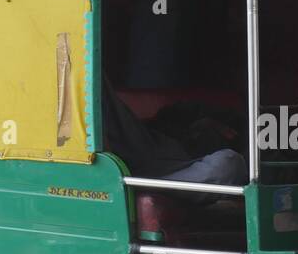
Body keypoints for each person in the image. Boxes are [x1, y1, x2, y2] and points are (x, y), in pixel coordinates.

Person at [101, 77, 247, 192]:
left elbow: (229, 164)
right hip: (146, 145)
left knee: (230, 164)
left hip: (171, 171)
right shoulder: (180, 115)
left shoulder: (233, 144)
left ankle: (131, 185)